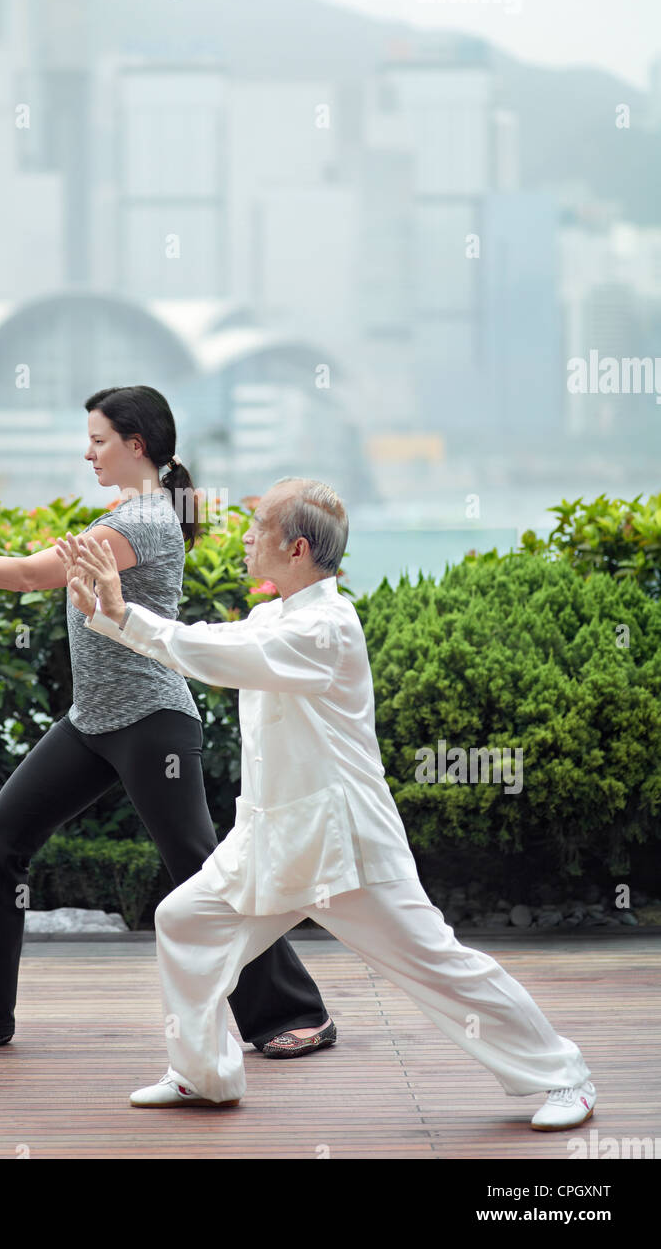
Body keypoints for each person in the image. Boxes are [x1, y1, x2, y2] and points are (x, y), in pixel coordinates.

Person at [60, 477, 597, 1130]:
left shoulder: (328, 627)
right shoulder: (272, 617)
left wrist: (121, 613)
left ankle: (564, 1076)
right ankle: (204, 1076)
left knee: (440, 964)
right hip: (270, 842)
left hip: (348, 847)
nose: (247, 539)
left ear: (298, 548)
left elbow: (215, 653)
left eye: (260, 529)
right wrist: (104, 613)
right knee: (185, 922)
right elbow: (213, 642)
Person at [0, 385, 333, 1056]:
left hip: (152, 721)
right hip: (92, 723)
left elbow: (27, 573)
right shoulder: (127, 515)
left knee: (197, 866)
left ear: (137, 445)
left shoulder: (145, 520)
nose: (87, 452)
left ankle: (296, 1013)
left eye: (99, 440)